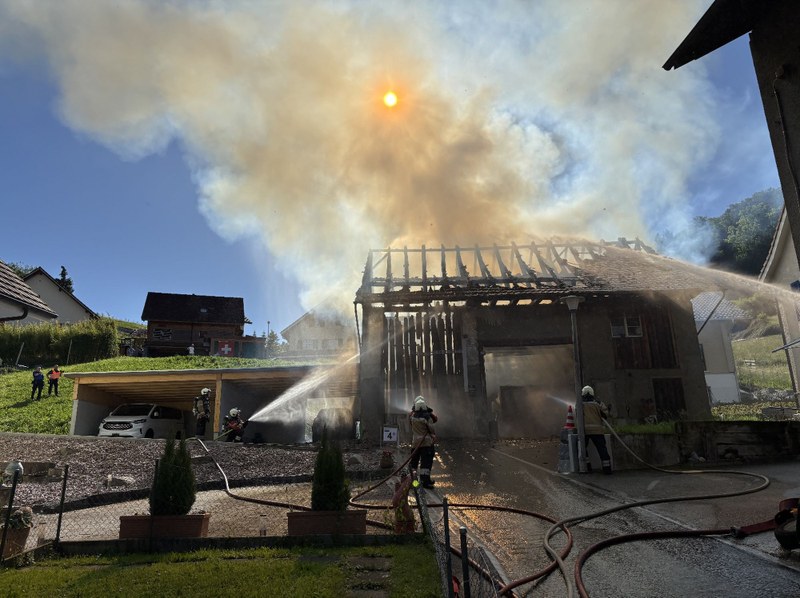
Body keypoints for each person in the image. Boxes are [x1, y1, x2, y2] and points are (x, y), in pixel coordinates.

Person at [581, 385, 612, 474]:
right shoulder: (598, 403)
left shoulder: (580, 404)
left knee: (581, 449)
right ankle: (607, 469)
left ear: (582, 394)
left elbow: (577, 417)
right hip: (598, 431)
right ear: (592, 393)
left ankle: (587, 467)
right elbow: (605, 415)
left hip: (585, 432)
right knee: (602, 450)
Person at [409, 396, 437, 488]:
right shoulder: (427, 417)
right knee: (426, 464)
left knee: (414, 464)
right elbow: (432, 428)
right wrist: (433, 435)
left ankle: (415, 484)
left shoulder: (412, 416)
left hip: (415, 444)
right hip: (426, 444)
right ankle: (425, 482)